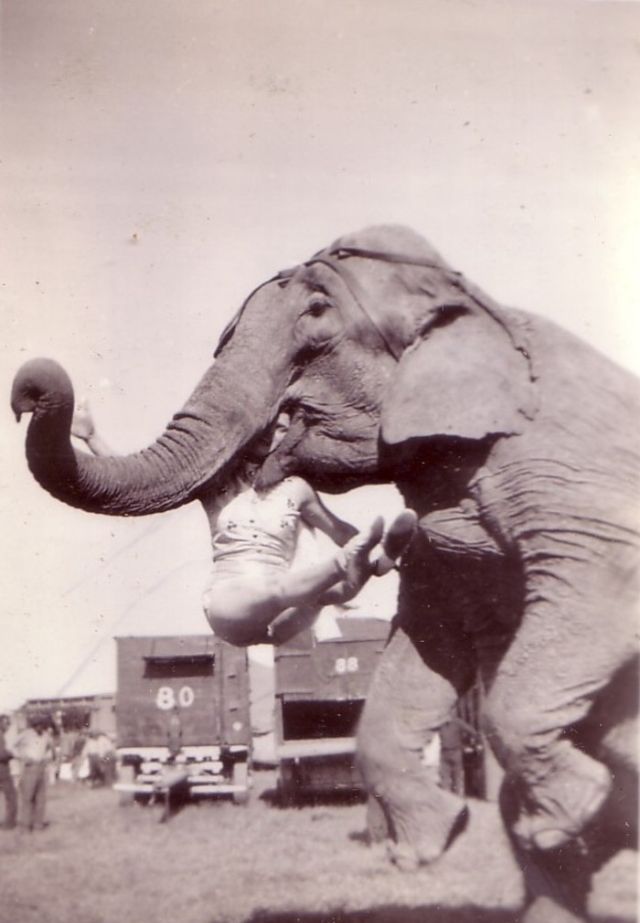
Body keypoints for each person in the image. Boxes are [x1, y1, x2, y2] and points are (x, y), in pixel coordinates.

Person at [72, 404, 418, 647]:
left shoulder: (296, 489)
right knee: (286, 587)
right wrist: (91, 437)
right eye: (268, 428)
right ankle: (346, 562)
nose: (273, 436)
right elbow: (143, 481)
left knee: (337, 591)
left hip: (283, 617)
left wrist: (374, 554)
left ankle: (382, 560)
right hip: (231, 605)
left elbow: (340, 530)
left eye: (282, 429)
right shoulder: (216, 481)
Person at [15, 717, 54, 831]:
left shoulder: (46, 736)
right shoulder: (26, 734)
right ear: (33, 726)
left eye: (42, 725)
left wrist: (48, 757)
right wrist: (22, 757)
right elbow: (12, 746)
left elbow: (51, 749)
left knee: (41, 798)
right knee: (27, 798)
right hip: (30, 768)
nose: (40, 728)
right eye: (38, 725)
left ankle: (38, 825)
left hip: (41, 768)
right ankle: (25, 826)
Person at [0, 715, 17, 830]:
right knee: (11, 796)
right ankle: (9, 823)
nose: (8, 726)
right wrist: (11, 754)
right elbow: (1, 754)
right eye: (7, 723)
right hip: (2, 770)